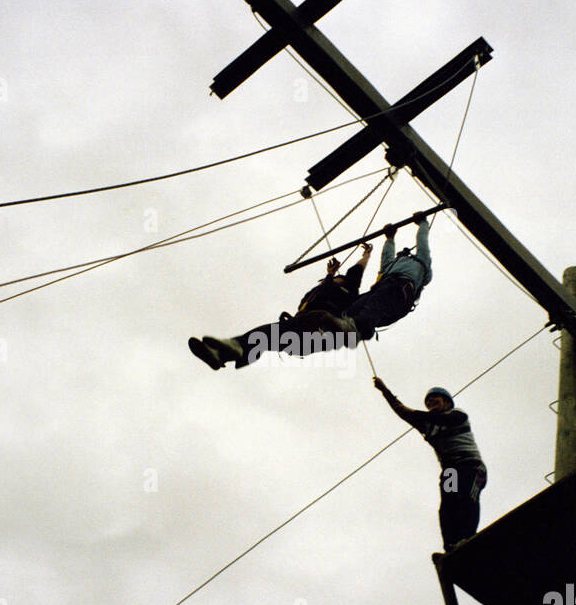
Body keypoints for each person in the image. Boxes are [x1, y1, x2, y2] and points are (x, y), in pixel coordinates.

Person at [188, 243, 373, 370]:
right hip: (300, 335)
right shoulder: (323, 289)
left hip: (317, 330)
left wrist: (366, 255)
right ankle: (220, 355)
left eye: (337, 279)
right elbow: (326, 285)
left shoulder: (349, 289)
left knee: (264, 336)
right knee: (262, 340)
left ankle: (234, 347)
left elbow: (357, 270)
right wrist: (330, 274)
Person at [373, 376, 486, 551]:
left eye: (435, 399)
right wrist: (384, 391)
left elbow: (439, 419)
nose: (431, 402)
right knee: (448, 505)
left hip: (470, 466)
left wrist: (414, 415)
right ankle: (451, 546)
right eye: (428, 402)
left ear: (447, 403)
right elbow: (400, 410)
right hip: (451, 471)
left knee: (465, 496)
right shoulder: (427, 425)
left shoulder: (458, 415)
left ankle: (468, 537)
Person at [343, 211, 431, 341]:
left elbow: (422, 242)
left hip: (398, 289)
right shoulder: (390, 266)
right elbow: (386, 256)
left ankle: (361, 325)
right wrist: (390, 238)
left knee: (375, 304)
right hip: (383, 291)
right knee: (353, 308)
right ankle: (344, 328)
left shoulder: (421, 262)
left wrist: (423, 223)